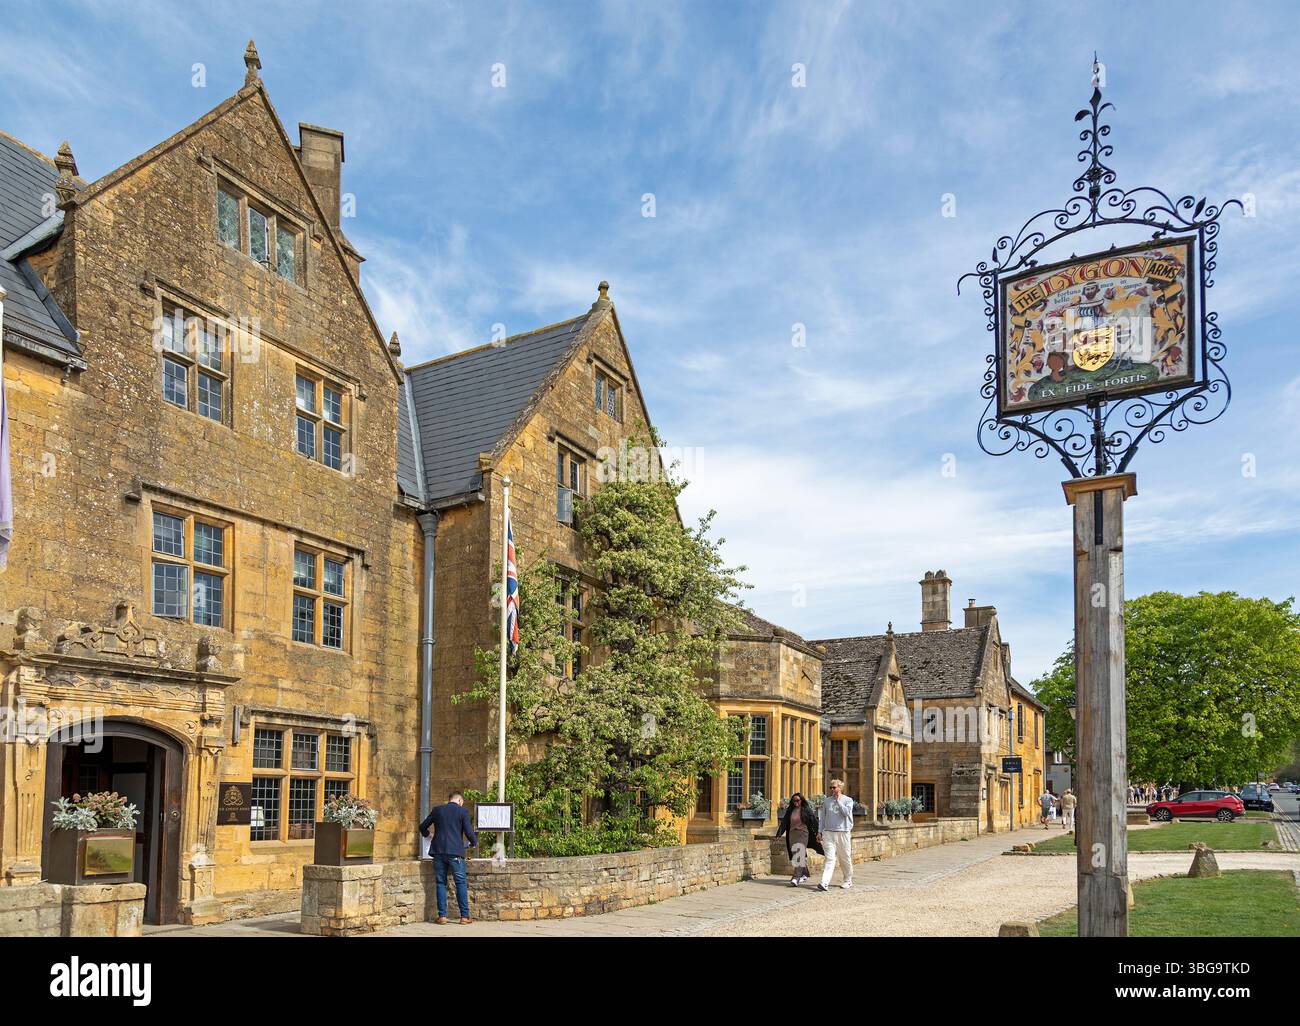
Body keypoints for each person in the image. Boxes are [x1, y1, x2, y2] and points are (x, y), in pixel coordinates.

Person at [419, 789, 478, 925]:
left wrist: (429, 835)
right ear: (460, 801)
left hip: (438, 851)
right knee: (460, 883)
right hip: (455, 852)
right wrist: (474, 843)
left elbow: (422, 827)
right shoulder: (462, 811)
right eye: (461, 803)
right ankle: (464, 916)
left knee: (441, 882)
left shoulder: (437, 810)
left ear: (449, 799)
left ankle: (442, 916)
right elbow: (469, 831)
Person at [775, 792, 822, 886]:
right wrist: (779, 834)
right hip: (792, 834)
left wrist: (819, 833)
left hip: (803, 834)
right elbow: (784, 822)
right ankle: (805, 874)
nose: (795, 802)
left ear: (801, 801)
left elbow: (814, 821)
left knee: (799, 854)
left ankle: (796, 877)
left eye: (797, 800)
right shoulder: (790, 810)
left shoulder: (806, 810)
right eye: (793, 801)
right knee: (795, 854)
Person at [816, 779, 855, 891]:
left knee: (845, 857)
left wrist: (838, 801)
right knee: (829, 858)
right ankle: (824, 883)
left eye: (834, 787)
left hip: (843, 832)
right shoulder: (827, 801)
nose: (832, 790)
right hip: (828, 833)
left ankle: (848, 880)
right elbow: (822, 818)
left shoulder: (848, 800)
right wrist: (819, 831)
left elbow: (846, 813)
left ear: (840, 788)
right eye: (831, 788)